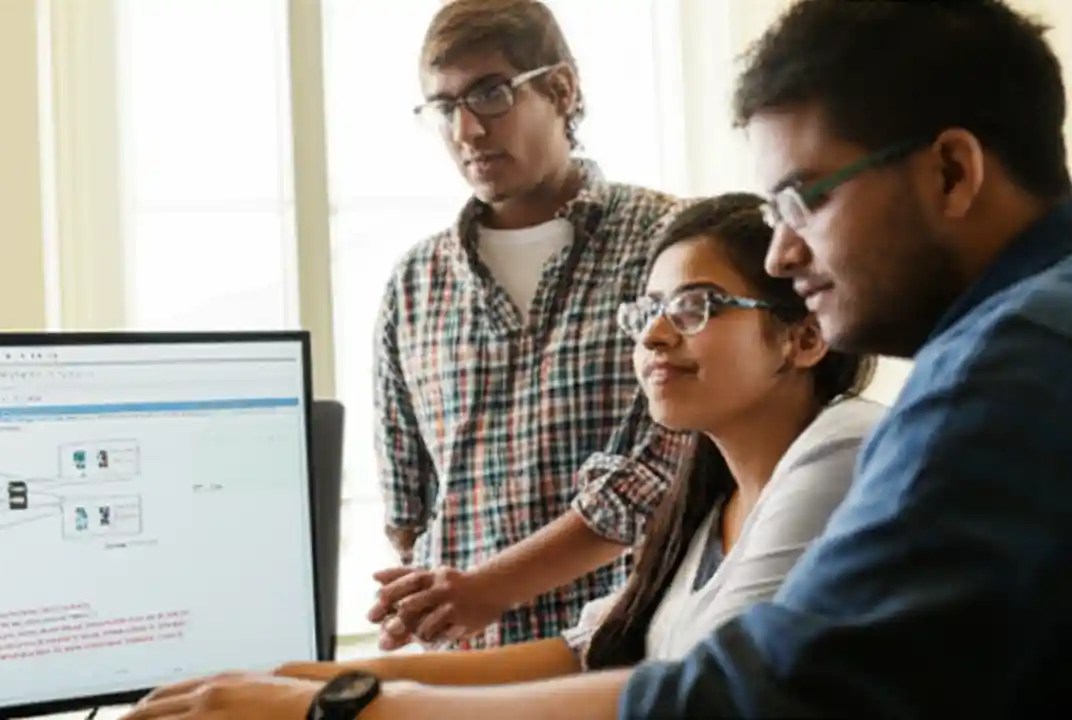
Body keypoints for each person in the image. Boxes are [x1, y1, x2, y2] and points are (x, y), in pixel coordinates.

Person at [123, 1, 1072, 718]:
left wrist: (339, 705)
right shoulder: (1010, 344)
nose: (786, 255)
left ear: (953, 171)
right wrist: (330, 677)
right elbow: (604, 645)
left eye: (803, 201)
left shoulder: (1004, 371)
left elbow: (761, 691)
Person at [121, 192, 880, 717]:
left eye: (693, 308)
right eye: (645, 312)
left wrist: (330, 706)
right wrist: (297, 677)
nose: (652, 337)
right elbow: (580, 654)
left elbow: (692, 700)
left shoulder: (837, 457)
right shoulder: (708, 500)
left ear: (803, 337)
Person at [371, 0, 690, 650]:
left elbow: (671, 467)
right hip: (463, 686)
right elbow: (409, 513)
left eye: (490, 94)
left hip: (628, 665)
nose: (467, 130)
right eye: (443, 107)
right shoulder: (412, 286)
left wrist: (490, 586)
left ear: (562, 88)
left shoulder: (672, 245)